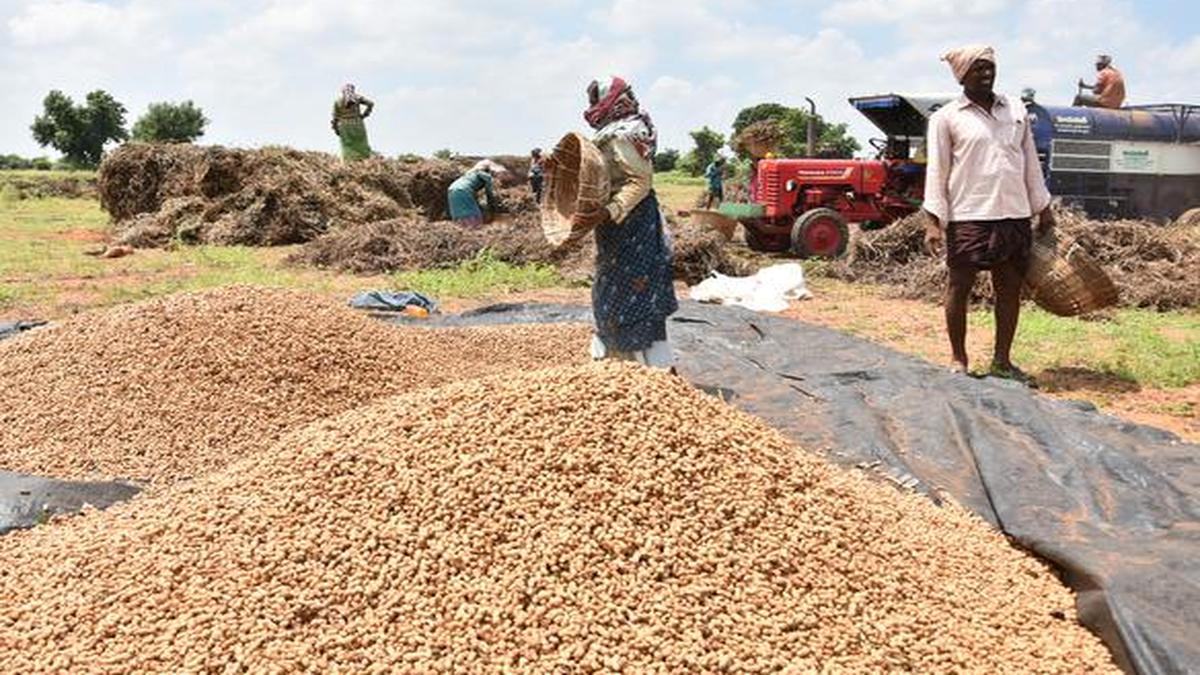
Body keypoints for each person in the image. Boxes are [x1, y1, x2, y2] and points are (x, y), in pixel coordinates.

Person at [922, 44, 1055, 384]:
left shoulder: (1015, 109)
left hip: (1013, 215)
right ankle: (958, 358)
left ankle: (1002, 360)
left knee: (1009, 288)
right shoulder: (947, 117)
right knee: (959, 285)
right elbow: (937, 171)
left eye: (989, 67)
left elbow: (1029, 162)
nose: (986, 73)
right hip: (969, 215)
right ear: (961, 75)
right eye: (977, 68)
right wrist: (933, 222)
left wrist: (1043, 207)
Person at [571, 76, 678, 369]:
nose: (593, 106)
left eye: (596, 99)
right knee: (612, 291)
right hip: (615, 225)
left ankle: (651, 369)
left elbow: (639, 181)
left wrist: (609, 211)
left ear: (616, 99)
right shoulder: (609, 132)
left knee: (632, 292)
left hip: (634, 223)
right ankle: (619, 363)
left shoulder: (624, 133)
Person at [447, 160, 504, 226]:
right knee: (475, 217)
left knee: (459, 213)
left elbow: (474, 193)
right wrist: (493, 206)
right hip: (463, 190)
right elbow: (489, 192)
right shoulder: (484, 175)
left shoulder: (469, 175)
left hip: (451, 189)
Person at [331, 84, 374, 161]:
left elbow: (335, 117)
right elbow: (371, 103)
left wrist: (336, 129)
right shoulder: (358, 98)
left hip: (344, 126)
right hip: (357, 124)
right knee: (361, 143)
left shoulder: (338, 101)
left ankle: (349, 162)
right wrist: (365, 115)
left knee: (347, 145)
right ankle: (364, 161)